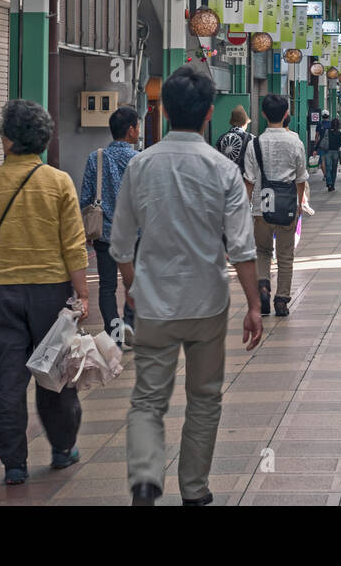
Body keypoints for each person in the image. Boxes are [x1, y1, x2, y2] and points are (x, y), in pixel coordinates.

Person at [111, 65, 263, 506]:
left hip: (154, 303)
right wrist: (254, 305)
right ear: (206, 115)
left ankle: (144, 479)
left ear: (166, 110)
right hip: (207, 303)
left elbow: (120, 243)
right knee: (204, 398)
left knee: (147, 401)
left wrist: (132, 287)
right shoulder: (222, 170)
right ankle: (194, 490)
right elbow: (241, 247)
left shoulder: (140, 166)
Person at [0, 100, 90, 487]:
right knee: (56, 375)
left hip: (1, 292)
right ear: (43, 140)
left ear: (6, 139)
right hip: (52, 293)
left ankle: (14, 464)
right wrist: (82, 294)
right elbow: (73, 245)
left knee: (5, 380)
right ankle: (61, 448)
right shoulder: (58, 182)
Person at [243, 94, 308, 318]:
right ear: (287, 114)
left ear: (263, 114)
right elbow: (301, 178)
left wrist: (245, 207)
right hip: (287, 207)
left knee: (262, 251)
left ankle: (263, 287)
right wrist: (299, 204)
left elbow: (249, 180)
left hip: (261, 208)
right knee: (285, 255)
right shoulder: (295, 142)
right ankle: (281, 300)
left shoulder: (255, 143)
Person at [80, 105, 139, 342]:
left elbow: (85, 196)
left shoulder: (96, 158)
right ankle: (130, 327)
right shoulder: (139, 159)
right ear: (131, 131)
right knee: (133, 283)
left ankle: (114, 334)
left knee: (106, 287)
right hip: (134, 234)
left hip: (104, 234)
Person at [319, 118, 341, 191]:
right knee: (334, 169)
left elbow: (324, 140)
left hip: (328, 152)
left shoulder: (327, 131)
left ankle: (329, 182)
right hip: (336, 152)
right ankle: (332, 184)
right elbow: (340, 144)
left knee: (328, 168)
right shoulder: (339, 133)